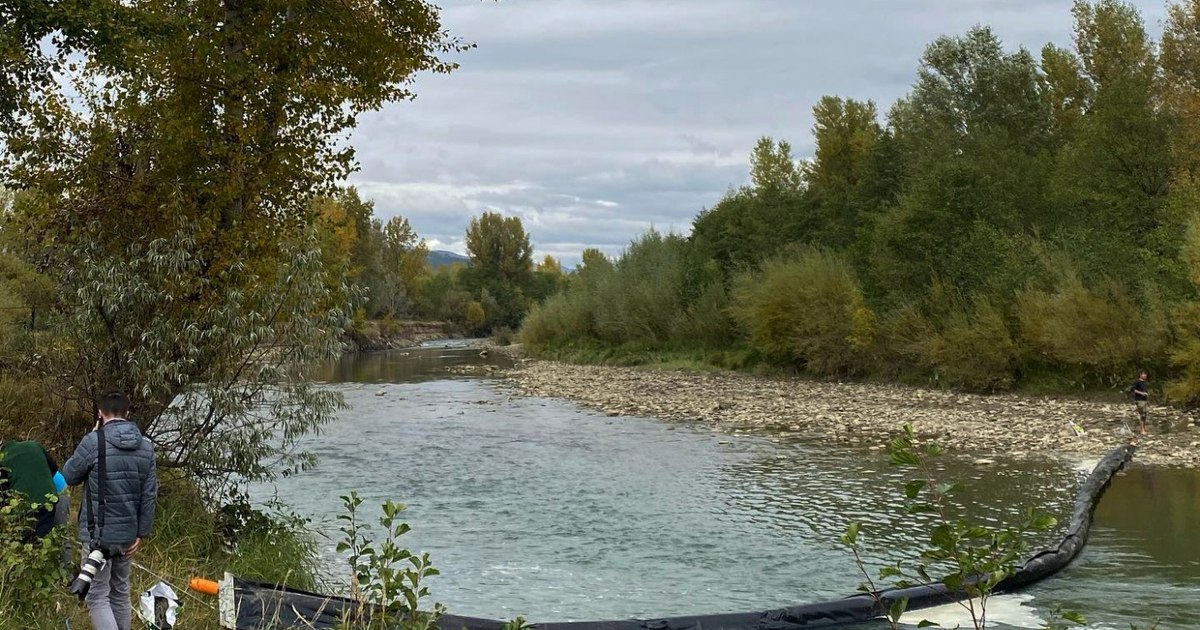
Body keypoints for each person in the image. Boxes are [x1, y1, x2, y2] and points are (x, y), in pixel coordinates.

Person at [63, 390, 157, 630]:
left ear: (100, 413)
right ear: (127, 413)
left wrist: (92, 437)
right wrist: (141, 533)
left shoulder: (94, 442)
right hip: (128, 535)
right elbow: (149, 496)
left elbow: (69, 476)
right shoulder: (146, 447)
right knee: (120, 592)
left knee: (97, 595)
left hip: (98, 536)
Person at [0, 436, 62, 540]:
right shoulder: (34, 445)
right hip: (48, 499)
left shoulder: (3, 459)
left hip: (23, 509)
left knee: (24, 542)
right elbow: (54, 468)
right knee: (44, 540)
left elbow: (3, 495)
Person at [1131, 371, 1150, 436]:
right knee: (1142, 415)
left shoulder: (1144, 382)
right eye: (1144, 374)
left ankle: (1143, 429)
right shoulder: (1137, 382)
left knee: (1145, 415)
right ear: (1140, 375)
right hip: (1139, 400)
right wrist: (1142, 393)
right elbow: (1133, 389)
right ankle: (1142, 430)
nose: (1145, 375)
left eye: (1146, 374)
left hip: (1144, 400)